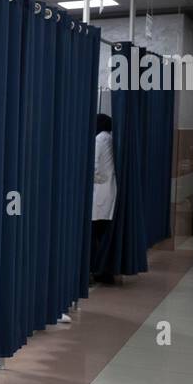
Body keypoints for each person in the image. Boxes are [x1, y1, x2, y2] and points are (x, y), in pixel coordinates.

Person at [91, 113, 117, 283]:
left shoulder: (100, 139)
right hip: (108, 193)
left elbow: (95, 168)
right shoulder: (110, 138)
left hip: (100, 193)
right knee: (103, 235)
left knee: (95, 234)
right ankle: (105, 272)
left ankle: (97, 270)